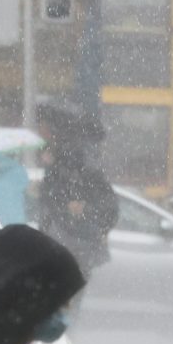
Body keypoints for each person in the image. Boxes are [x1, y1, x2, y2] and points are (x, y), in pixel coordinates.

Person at [35, 105, 118, 274]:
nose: (42, 132)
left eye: (44, 127)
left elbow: (104, 203)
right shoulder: (66, 162)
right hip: (70, 240)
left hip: (71, 239)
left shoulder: (73, 162)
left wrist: (81, 207)